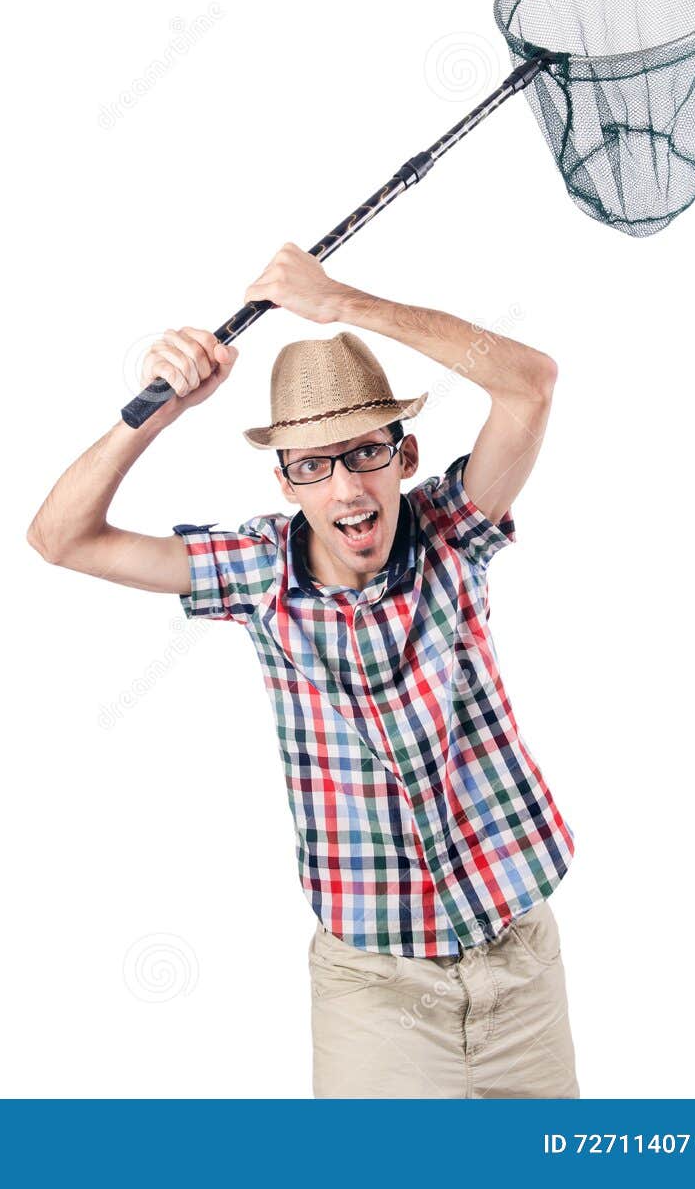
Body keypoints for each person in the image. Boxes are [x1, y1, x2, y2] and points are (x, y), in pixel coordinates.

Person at [28, 243, 577, 1098]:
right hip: (375, 988)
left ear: (404, 455)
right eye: (314, 465)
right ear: (286, 481)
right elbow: (59, 536)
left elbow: (530, 381)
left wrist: (342, 302)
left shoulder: (453, 526)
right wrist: (160, 408)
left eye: (364, 452)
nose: (347, 489)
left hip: (520, 962)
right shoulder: (257, 569)